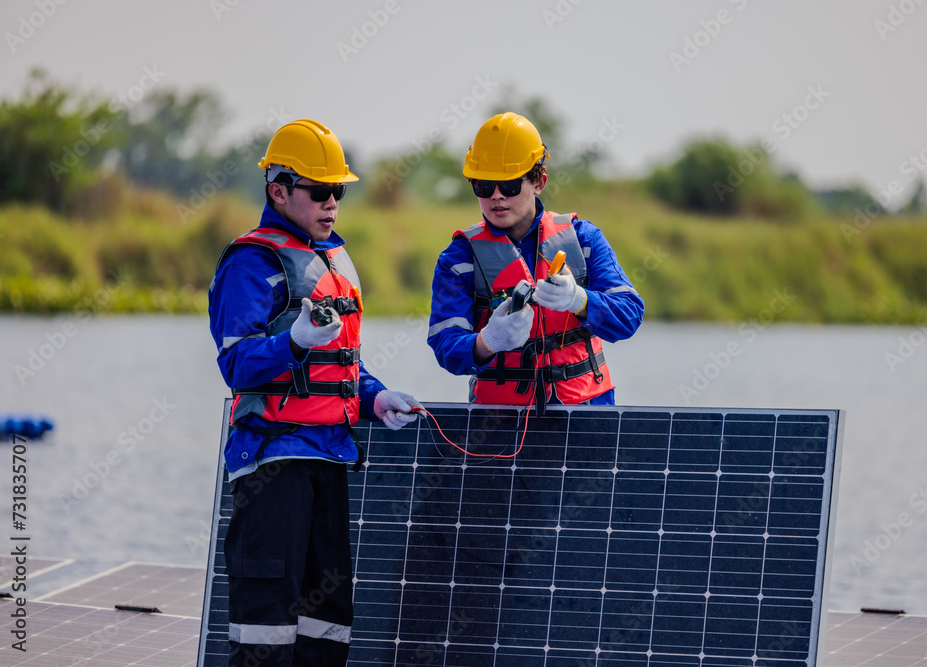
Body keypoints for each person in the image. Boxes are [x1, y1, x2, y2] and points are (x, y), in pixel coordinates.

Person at [208, 118, 422, 666]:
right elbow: (236, 364)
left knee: (327, 630)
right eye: (319, 191)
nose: (332, 204)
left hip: (329, 460)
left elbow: (345, 365)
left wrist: (376, 399)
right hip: (273, 465)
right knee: (265, 637)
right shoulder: (252, 262)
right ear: (278, 190)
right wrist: (293, 342)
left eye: (339, 192)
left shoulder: (334, 259)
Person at [428, 112, 644, 410]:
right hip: (499, 425)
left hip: (587, 417)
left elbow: (629, 316)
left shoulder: (584, 239)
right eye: (483, 186)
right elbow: (446, 347)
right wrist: (487, 341)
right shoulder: (458, 258)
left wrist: (579, 301)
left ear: (539, 182)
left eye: (510, 186)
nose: (496, 197)